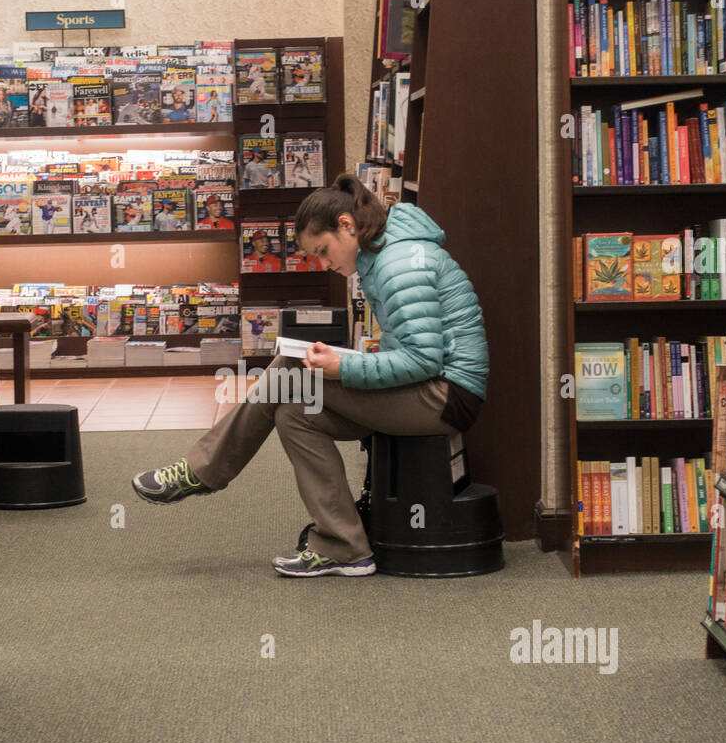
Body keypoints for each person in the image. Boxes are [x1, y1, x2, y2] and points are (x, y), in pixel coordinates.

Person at [132, 174, 489, 578]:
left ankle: (200, 470)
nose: (325, 264)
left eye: (323, 251)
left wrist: (344, 366)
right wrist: (344, 361)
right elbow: (410, 350)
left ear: (346, 225)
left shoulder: (398, 264)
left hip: (444, 397)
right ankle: (345, 548)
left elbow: (423, 360)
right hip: (427, 390)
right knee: (296, 413)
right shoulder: (382, 257)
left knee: (289, 368)